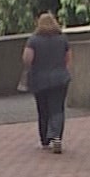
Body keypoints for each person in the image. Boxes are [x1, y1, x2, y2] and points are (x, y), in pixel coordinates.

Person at [20, 12, 72, 153]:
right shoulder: (62, 39)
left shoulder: (34, 40)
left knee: (43, 110)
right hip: (60, 78)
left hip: (40, 79)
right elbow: (68, 59)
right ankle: (57, 137)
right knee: (57, 109)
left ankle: (44, 140)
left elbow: (27, 59)